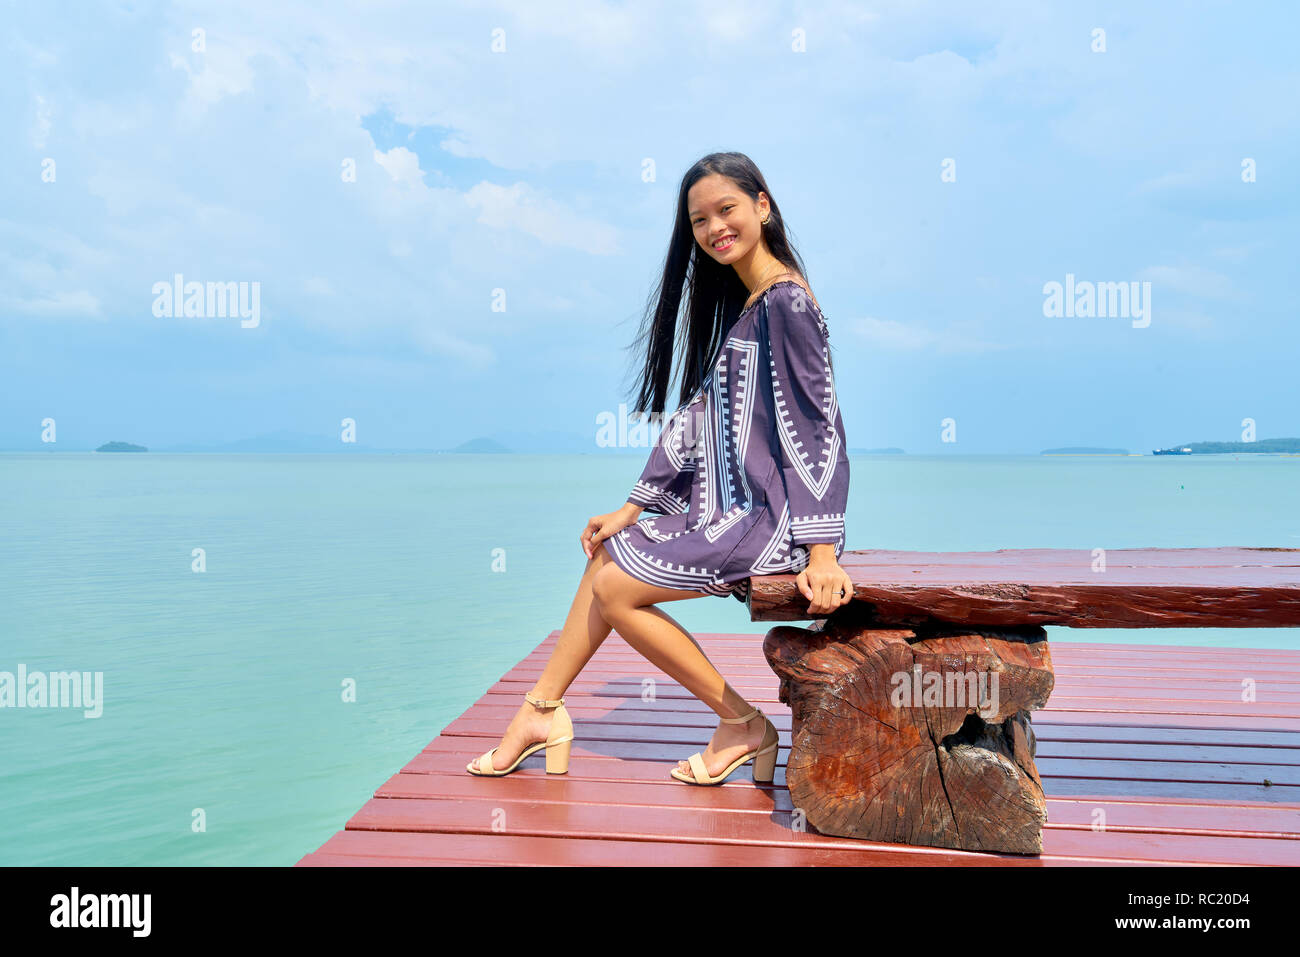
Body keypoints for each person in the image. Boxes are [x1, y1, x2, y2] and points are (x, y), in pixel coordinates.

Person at [468, 151, 853, 784]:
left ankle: (741, 722)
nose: (713, 229)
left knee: (617, 591)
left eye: (726, 209)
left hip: (773, 519)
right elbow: (702, 417)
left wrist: (822, 551)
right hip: (740, 509)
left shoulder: (786, 303)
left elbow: (818, 426)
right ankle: (541, 710)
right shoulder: (751, 304)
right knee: (607, 557)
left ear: (763, 205)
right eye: (699, 221)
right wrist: (634, 506)